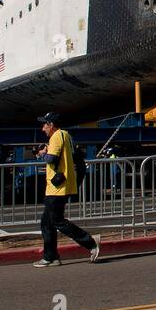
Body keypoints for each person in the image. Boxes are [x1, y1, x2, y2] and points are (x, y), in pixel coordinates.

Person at [33, 112, 100, 266]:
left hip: (57, 188)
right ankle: (51, 256)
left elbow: (52, 159)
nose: (43, 128)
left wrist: (43, 154)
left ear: (51, 125)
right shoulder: (66, 136)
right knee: (47, 222)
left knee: (56, 221)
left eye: (44, 124)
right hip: (60, 186)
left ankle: (90, 242)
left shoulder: (56, 136)